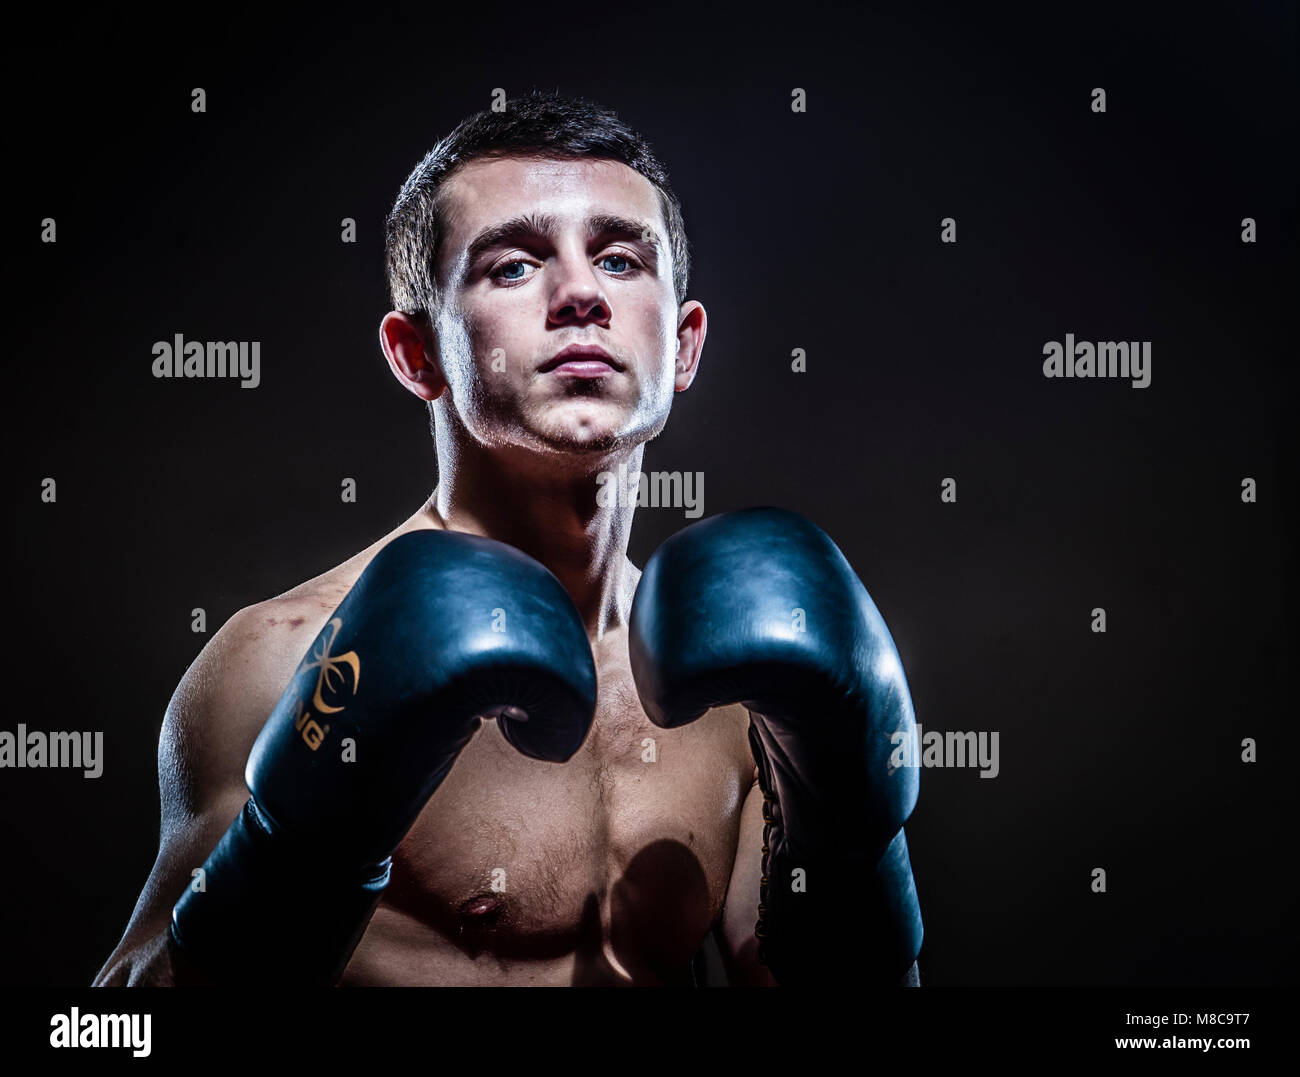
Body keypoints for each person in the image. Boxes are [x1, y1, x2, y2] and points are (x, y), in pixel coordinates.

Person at [92, 91, 922, 987]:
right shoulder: (289, 662)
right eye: (514, 266)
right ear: (419, 354)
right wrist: (293, 848)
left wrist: (852, 845)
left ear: (683, 346)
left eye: (618, 257)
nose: (580, 295)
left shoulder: (738, 691)